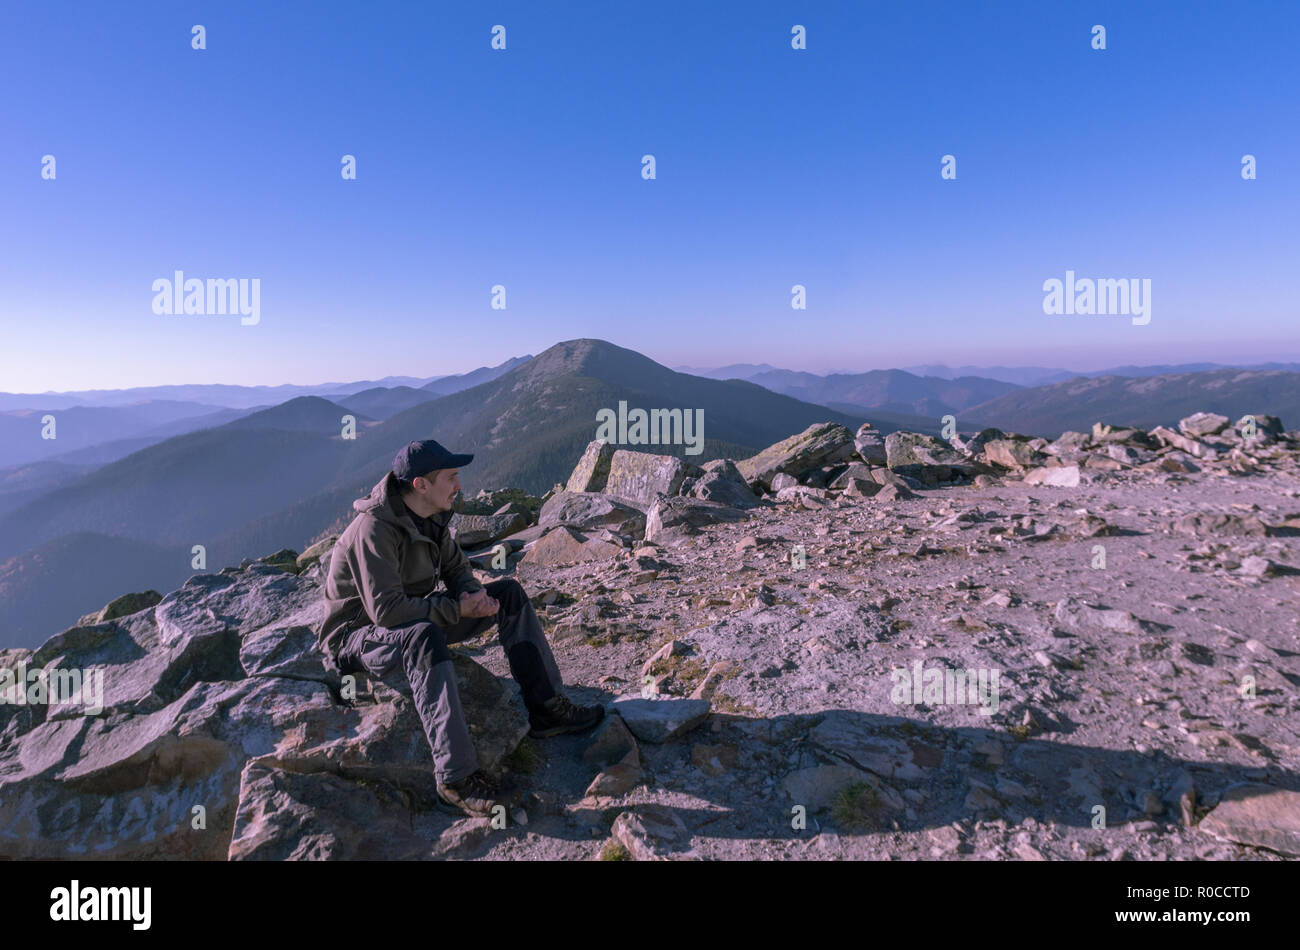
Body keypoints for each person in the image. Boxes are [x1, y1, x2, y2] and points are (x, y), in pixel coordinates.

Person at [317, 438, 604, 817]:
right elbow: (387, 612)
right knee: (423, 636)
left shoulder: (431, 518)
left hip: (405, 621)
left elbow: (456, 570)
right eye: (451, 477)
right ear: (420, 484)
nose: (459, 485)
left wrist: (475, 598)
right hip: (357, 638)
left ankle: (547, 708)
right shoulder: (373, 531)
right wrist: (457, 608)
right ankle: (455, 780)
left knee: (509, 595)